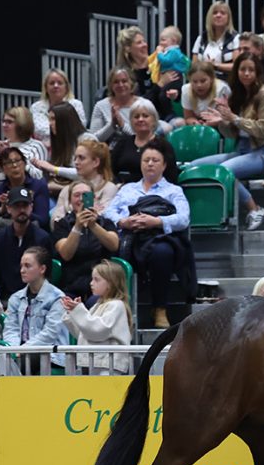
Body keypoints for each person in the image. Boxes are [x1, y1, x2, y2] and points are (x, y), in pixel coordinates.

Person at [104, 138, 192, 328]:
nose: (150, 164)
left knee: (162, 253)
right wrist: (123, 221)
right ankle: (117, 309)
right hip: (130, 237)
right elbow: (108, 212)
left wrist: (157, 221)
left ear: (164, 165)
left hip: (159, 237)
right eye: (146, 160)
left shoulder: (173, 190)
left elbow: (184, 218)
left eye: (155, 160)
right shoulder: (128, 189)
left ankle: (160, 308)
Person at [193, 52, 264, 229]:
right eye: (242, 69)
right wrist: (222, 122)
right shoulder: (238, 94)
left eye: (250, 70)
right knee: (195, 166)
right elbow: (232, 134)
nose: (246, 73)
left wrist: (233, 118)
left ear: (257, 72)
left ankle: (255, 209)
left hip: (262, 151)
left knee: (224, 171)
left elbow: (263, 129)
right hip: (242, 149)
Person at [63, 260, 134, 375]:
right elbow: (83, 334)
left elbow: (97, 331)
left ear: (111, 283)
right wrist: (72, 313)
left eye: (96, 280)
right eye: (92, 279)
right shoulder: (97, 306)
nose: (91, 283)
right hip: (93, 363)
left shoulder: (116, 306)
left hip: (108, 366)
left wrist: (79, 311)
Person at [52, 181, 121, 300]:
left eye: (85, 195)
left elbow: (114, 245)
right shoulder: (61, 224)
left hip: (102, 286)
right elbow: (66, 254)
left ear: (93, 198)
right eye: (76, 195)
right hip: (72, 285)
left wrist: (93, 225)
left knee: (94, 302)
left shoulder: (105, 222)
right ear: (70, 200)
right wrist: (77, 226)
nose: (81, 199)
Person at [3, 246, 68, 370]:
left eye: (28, 266)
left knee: (18, 362)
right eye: (21, 266)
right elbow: (11, 329)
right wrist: (13, 349)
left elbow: (50, 333)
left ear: (42, 269)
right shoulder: (16, 298)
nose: (22, 270)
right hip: (20, 351)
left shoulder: (57, 298)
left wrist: (23, 350)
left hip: (49, 353)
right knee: (1, 357)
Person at [0, 186, 54, 301]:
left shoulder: (42, 238)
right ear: (8, 208)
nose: (22, 210)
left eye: (25, 205)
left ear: (31, 207)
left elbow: (47, 275)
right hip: (4, 298)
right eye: (17, 206)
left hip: (35, 298)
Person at [0, 147, 51, 232]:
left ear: (24, 163)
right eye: (9, 162)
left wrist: (22, 208)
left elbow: (43, 221)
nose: (15, 165)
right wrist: (1, 210)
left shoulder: (38, 186)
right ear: (3, 169)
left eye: (17, 161)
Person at [0, 107, 47, 190]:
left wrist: (9, 155)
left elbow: (38, 177)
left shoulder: (36, 146)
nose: (4, 125)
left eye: (9, 122)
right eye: (3, 121)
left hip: (20, 192)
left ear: (22, 124)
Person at [109, 100, 179, 185]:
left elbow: (171, 177)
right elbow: (111, 171)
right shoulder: (122, 143)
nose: (140, 119)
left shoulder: (164, 146)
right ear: (131, 121)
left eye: (145, 116)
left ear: (154, 120)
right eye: (136, 117)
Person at [30, 103, 92, 198]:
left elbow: (86, 173)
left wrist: (52, 168)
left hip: (85, 193)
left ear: (65, 120)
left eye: (54, 119)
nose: (50, 124)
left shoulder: (87, 139)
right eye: (49, 119)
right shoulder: (59, 141)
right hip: (61, 191)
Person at [90, 67, 167, 142]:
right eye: (116, 82)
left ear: (132, 84)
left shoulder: (144, 105)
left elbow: (146, 136)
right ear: (111, 85)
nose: (120, 85)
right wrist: (112, 126)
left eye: (124, 81)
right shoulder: (101, 106)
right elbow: (93, 140)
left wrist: (123, 126)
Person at [49, 140, 119, 222]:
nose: (76, 162)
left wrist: (70, 211)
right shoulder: (67, 189)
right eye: (75, 158)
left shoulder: (109, 188)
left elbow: (104, 220)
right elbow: (55, 222)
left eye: (81, 158)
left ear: (95, 162)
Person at [32, 69, 89, 143]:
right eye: (52, 83)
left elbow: (79, 128)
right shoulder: (37, 107)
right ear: (46, 87)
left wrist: (55, 130)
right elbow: (39, 130)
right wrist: (65, 130)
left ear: (66, 87)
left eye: (60, 83)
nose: (56, 86)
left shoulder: (76, 104)